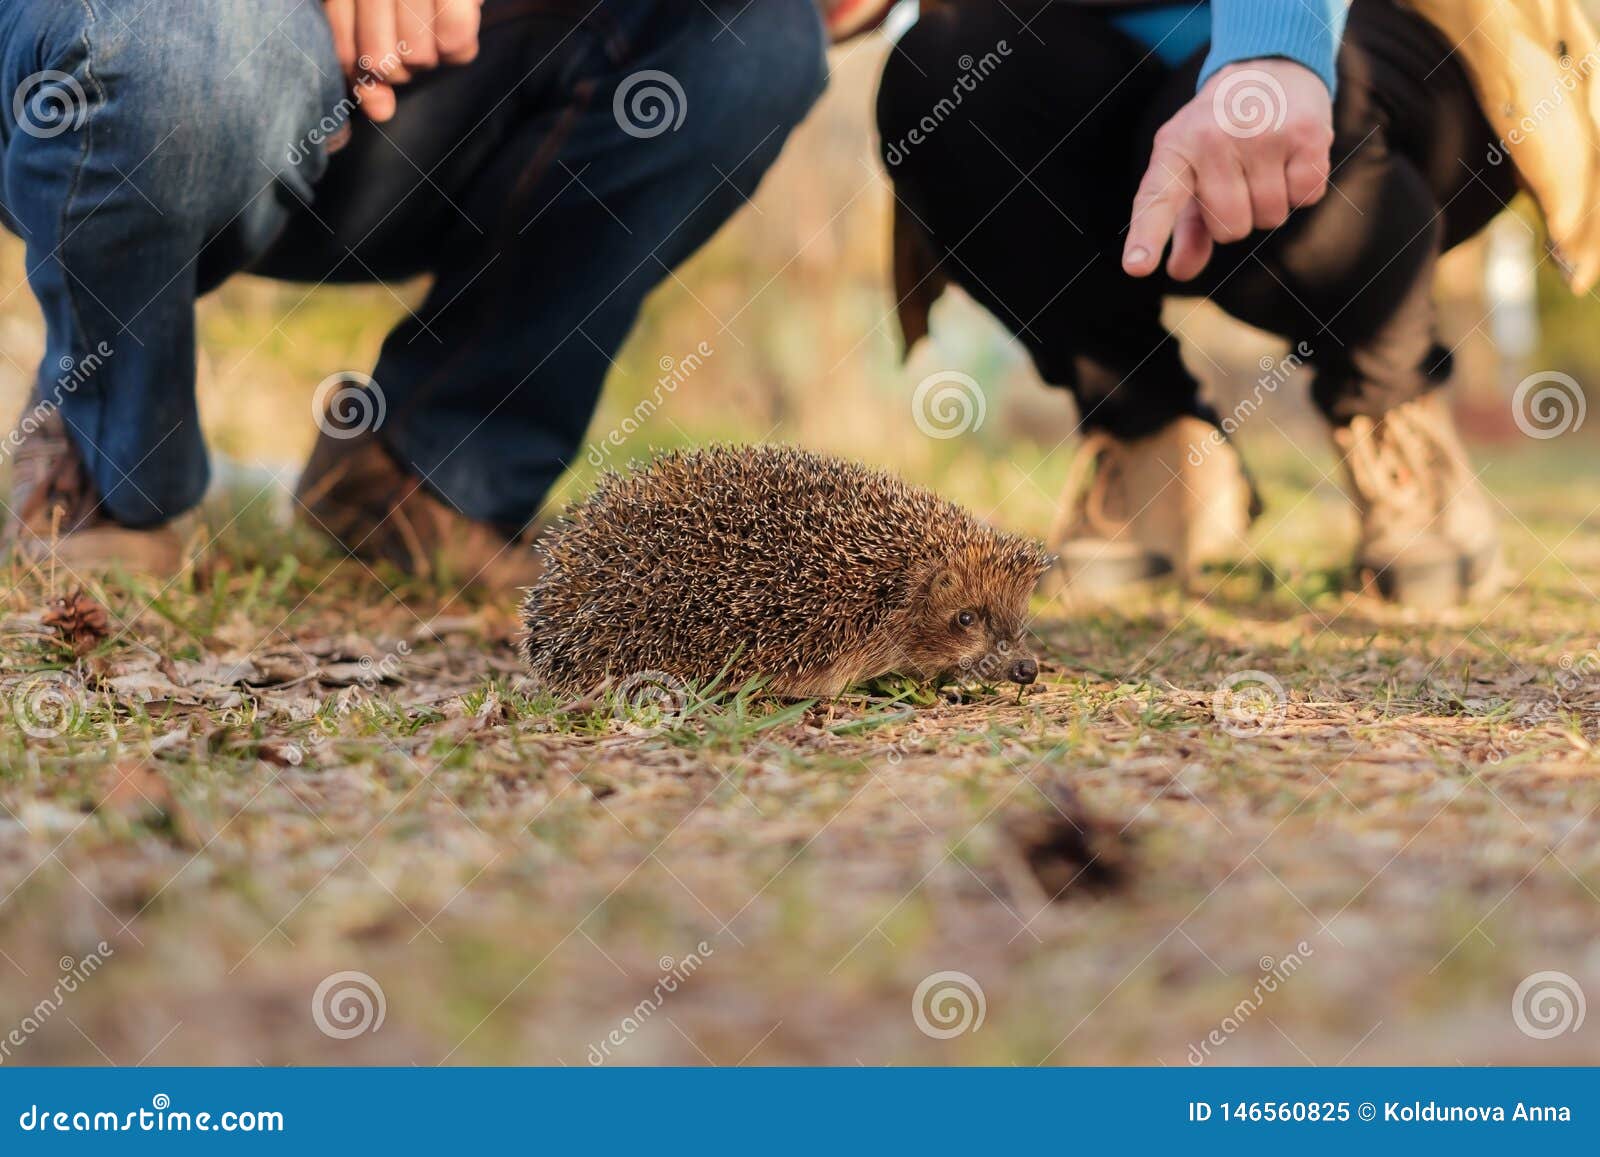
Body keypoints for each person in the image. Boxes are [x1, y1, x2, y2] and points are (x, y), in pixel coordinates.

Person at [0, 0, 829, 587]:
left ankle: (429, 477)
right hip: (137, 56)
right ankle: (106, 460)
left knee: (757, 35)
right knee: (176, 55)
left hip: (424, 89)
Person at [876, 0, 1600, 606]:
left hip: (1398, 43)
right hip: (1099, 60)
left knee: (1258, 124)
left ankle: (1394, 410)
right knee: (940, 72)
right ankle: (1150, 436)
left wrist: (1275, 44)